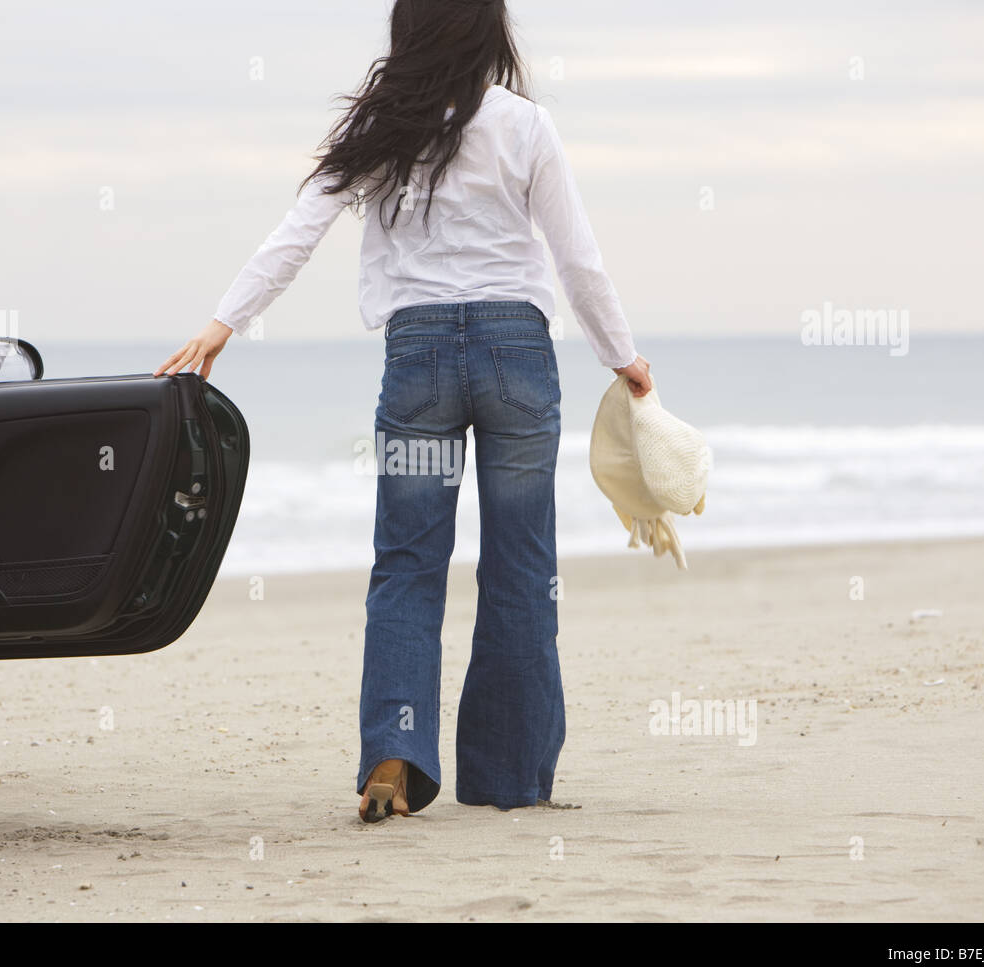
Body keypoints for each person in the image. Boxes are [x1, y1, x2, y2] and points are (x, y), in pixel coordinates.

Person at [155, 0, 652, 823]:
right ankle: (510, 778)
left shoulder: (382, 129)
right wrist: (622, 357)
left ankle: (394, 752)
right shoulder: (524, 124)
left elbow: (297, 232)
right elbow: (578, 258)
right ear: (489, 30)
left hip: (418, 360)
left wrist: (225, 321)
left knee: (408, 564)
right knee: (522, 566)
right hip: (516, 360)